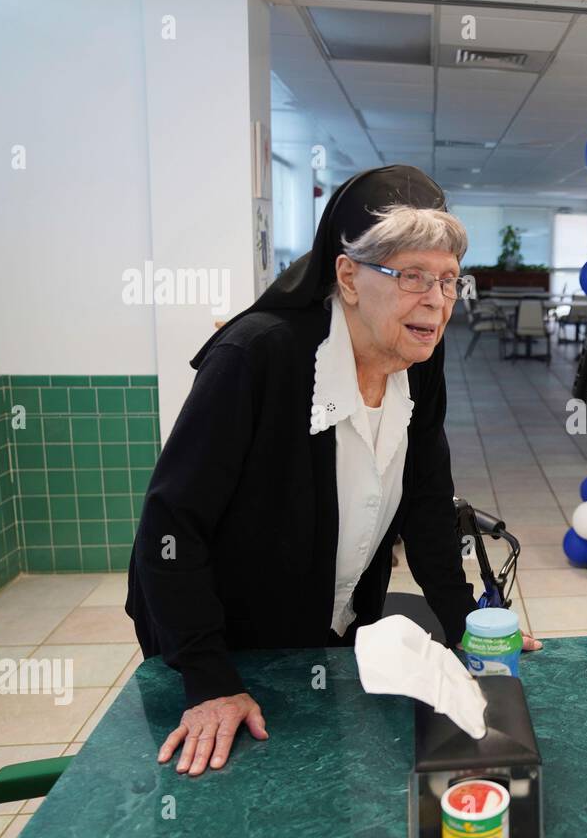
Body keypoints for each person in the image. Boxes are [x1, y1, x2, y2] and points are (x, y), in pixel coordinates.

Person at [127, 165, 525, 778]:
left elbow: (426, 501)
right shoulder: (259, 356)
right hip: (217, 644)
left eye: (449, 281)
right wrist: (209, 680)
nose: (437, 302)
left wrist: (465, 623)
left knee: (327, 786)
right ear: (348, 276)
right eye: (412, 276)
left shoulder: (420, 357)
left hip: (331, 629)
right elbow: (169, 525)